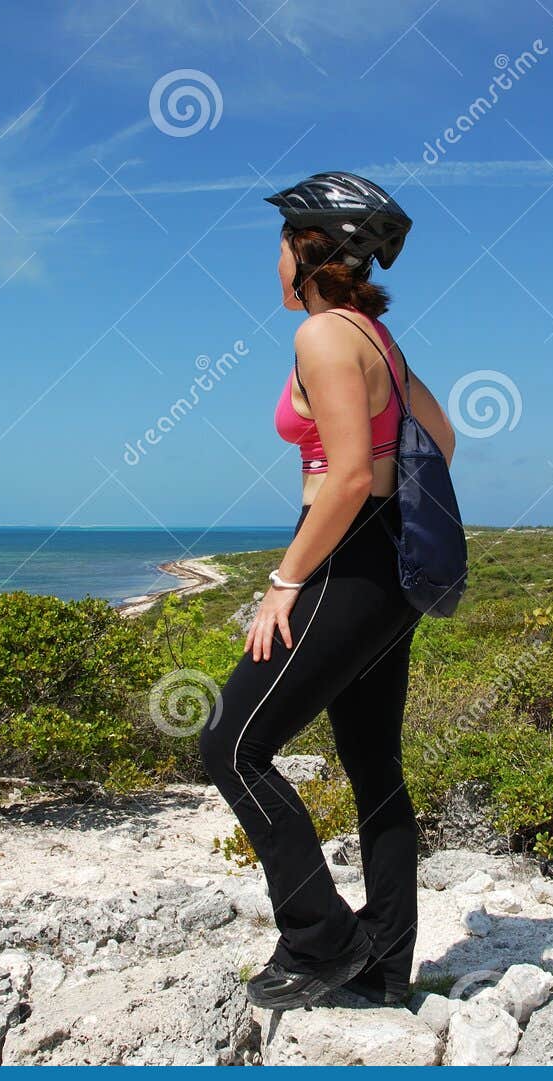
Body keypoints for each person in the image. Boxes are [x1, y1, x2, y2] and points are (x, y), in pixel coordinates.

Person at [199, 172, 457, 1010]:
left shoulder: (321, 335)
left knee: (230, 745)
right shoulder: (378, 339)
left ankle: (322, 939)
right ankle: (385, 967)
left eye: (280, 245)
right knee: (374, 767)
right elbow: (443, 440)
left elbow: (346, 476)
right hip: (388, 566)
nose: (274, 263)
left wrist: (286, 581)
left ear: (310, 248)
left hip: (345, 559)